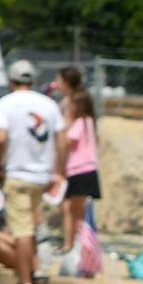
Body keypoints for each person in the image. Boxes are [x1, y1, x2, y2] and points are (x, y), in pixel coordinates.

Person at [0, 59, 68, 284]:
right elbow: (62, 141)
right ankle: (37, 269)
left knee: (21, 230)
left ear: (11, 80)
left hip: (18, 174)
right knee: (31, 225)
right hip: (42, 175)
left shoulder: (5, 104)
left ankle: (25, 281)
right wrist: (58, 172)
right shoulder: (49, 104)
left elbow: (0, 138)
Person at [54, 66, 100, 253]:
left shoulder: (82, 122)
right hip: (80, 169)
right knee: (68, 208)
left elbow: (66, 140)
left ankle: (79, 246)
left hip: (80, 169)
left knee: (76, 211)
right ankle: (70, 244)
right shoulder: (88, 122)